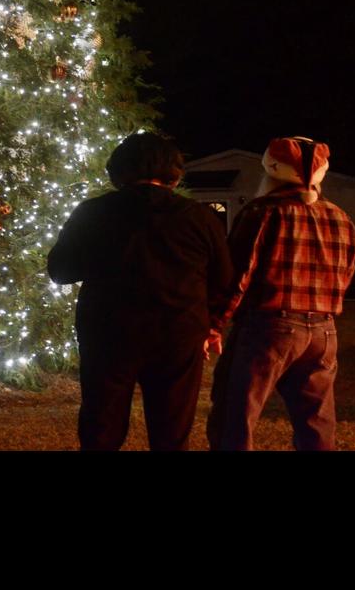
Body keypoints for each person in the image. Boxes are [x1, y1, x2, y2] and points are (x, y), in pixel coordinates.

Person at [47, 132, 232, 450]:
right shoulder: (199, 217)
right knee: (171, 429)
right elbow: (224, 279)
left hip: (108, 329)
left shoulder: (93, 212)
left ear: (118, 170)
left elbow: (61, 271)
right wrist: (211, 323)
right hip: (179, 331)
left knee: (101, 424)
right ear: (174, 172)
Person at [207, 137, 355, 451]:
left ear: (271, 171)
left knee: (235, 418)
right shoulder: (342, 218)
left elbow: (238, 276)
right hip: (324, 331)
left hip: (268, 327)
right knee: (316, 424)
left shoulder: (261, 212)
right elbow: (345, 277)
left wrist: (214, 324)